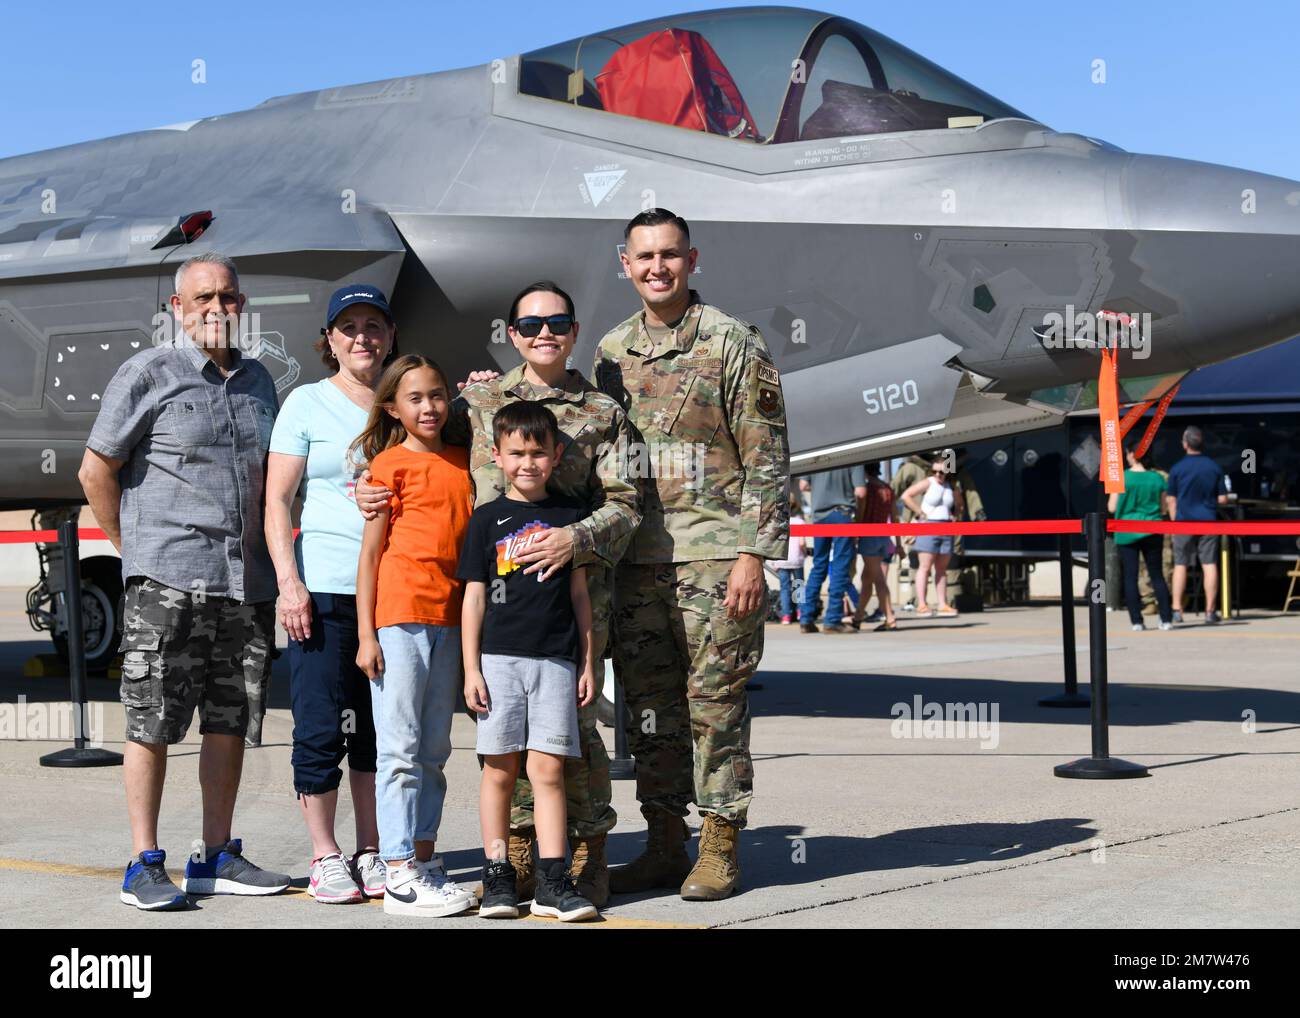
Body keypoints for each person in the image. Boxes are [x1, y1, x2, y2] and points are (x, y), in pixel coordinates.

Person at [359, 280, 640, 907]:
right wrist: (366, 487)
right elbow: (416, 433)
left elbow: (626, 503)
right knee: (498, 754)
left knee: (571, 750)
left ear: (573, 329)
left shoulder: (604, 412)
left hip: (565, 606)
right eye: (531, 323)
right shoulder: (480, 401)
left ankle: (576, 866)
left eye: (558, 321)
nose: (545, 332)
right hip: (487, 612)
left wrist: (577, 538)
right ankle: (503, 867)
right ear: (512, 333)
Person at [78, 252, 290, 910]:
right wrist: (136, 551)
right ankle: (144, 863)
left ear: (242, 303)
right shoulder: (147, 373)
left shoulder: (261, 383)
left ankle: (217, 854)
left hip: (246, 585)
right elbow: (95, 472)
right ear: (177, 308)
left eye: (227, 297)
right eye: (202, 298)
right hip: (166, 581)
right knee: (152, 724)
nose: (216, 308)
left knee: (229, 723)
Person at [593, 208, 790, 901]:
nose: (657, 268)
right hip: (636, 564)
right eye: (644, 256)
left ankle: (721, 843)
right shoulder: (611, 352)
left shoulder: (732, 342)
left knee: (714, 705)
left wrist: (753, 556)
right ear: (626, 264)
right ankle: (663, 841)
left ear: (692, 258)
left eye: (670, 255)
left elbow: (766, 455)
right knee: (650, 710)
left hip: (715, 561)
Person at [264, 285, 397, 904]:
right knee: (320, 725)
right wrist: (289, 584)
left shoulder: (406, 403)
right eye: (349, 327)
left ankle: (372, 850)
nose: (362, 336)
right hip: (322, 590)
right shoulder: (306, 403)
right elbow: (276, 502)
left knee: (377, 729)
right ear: (330, 340)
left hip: (393, 594)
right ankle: (325, 855)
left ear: (390, 336)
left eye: (374, 325)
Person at [459, 401, 599, 921]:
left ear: (556, 455)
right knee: (499, 770)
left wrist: (587, 660)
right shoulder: (485, 520)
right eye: (516, 453)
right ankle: (497, 875)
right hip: (498, 662)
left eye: (538, 453)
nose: (527, 463)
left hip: (556, 662)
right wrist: (470, 667)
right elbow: (472, 599)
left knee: (548, 771)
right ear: (496, 455)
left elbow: (581, 596)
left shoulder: (570, 518)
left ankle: (553, 881)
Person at [353, 354, 476, 917]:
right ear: (392, 408)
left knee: (434, 750)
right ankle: (399, 873)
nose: (429, 407)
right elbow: (371, 556)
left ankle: (424, 860)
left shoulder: (462, 459)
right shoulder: (386, 466)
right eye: (415, 398)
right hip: (400, 618)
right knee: (398, 750)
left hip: (451, 621)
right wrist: (366, 635)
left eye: (437, 395)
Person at [1166, 425, 1228, 624]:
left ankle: (1177, 610)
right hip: (1208, 521)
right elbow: (1223, 499)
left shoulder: (1177, 468)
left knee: (1180, 564)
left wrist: (1175, 522)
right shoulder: (1214, 466)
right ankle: (1210, 611)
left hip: (1183, 522)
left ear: (1185, 444)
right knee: (1209, 564)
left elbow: (1171, 500)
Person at [1108, 445, 1174, 631]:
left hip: (1126, 531)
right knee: (1157, 575)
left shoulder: (1122, 477)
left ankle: (1137, 621)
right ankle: (1166, 619)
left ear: (1131, 455)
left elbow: (1112, 507)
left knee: (1130, 576)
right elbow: (1163, 509)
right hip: (1152, 529)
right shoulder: (1157, 478)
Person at [799, 465, 867, 634]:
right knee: (840, 567)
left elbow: (803, 485)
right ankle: (832, 619)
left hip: (819, 517)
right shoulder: (853, 456)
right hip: (842, 514)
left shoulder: (818, 453)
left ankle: (806, 619)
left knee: (818, 566)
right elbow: (860, 492)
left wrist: (823, 490)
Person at [901, 456, 962, 617]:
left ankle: (942, 604)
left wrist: (955, 515)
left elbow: (959, 504)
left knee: (942, 569)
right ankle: (922, 604)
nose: (937, 474)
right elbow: (906, 495)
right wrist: (920, 512)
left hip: (946, 527)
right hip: (928, 526)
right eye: (934, 471)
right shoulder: (929, 482)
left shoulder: (951, 486)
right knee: (925, 567)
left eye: (941, 472)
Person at [851, 463, 899, 631]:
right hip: (884, 537)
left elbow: (861, 513)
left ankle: (890, 618)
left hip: (869, 535)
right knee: (867, 579)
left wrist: (856, 532)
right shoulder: (887, 489)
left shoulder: (867, 489)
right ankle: (857, 617)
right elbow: (894, 517)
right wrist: (898, 544)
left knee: (878, 579)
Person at [772, 490, 808, 624]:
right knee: (799, 586)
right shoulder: (800, 522)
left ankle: (786, 616)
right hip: (796, 559)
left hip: (782, 560)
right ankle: (801, 613)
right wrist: (804, 554)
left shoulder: (779, 522)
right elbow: (802, 542)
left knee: (784, 588)